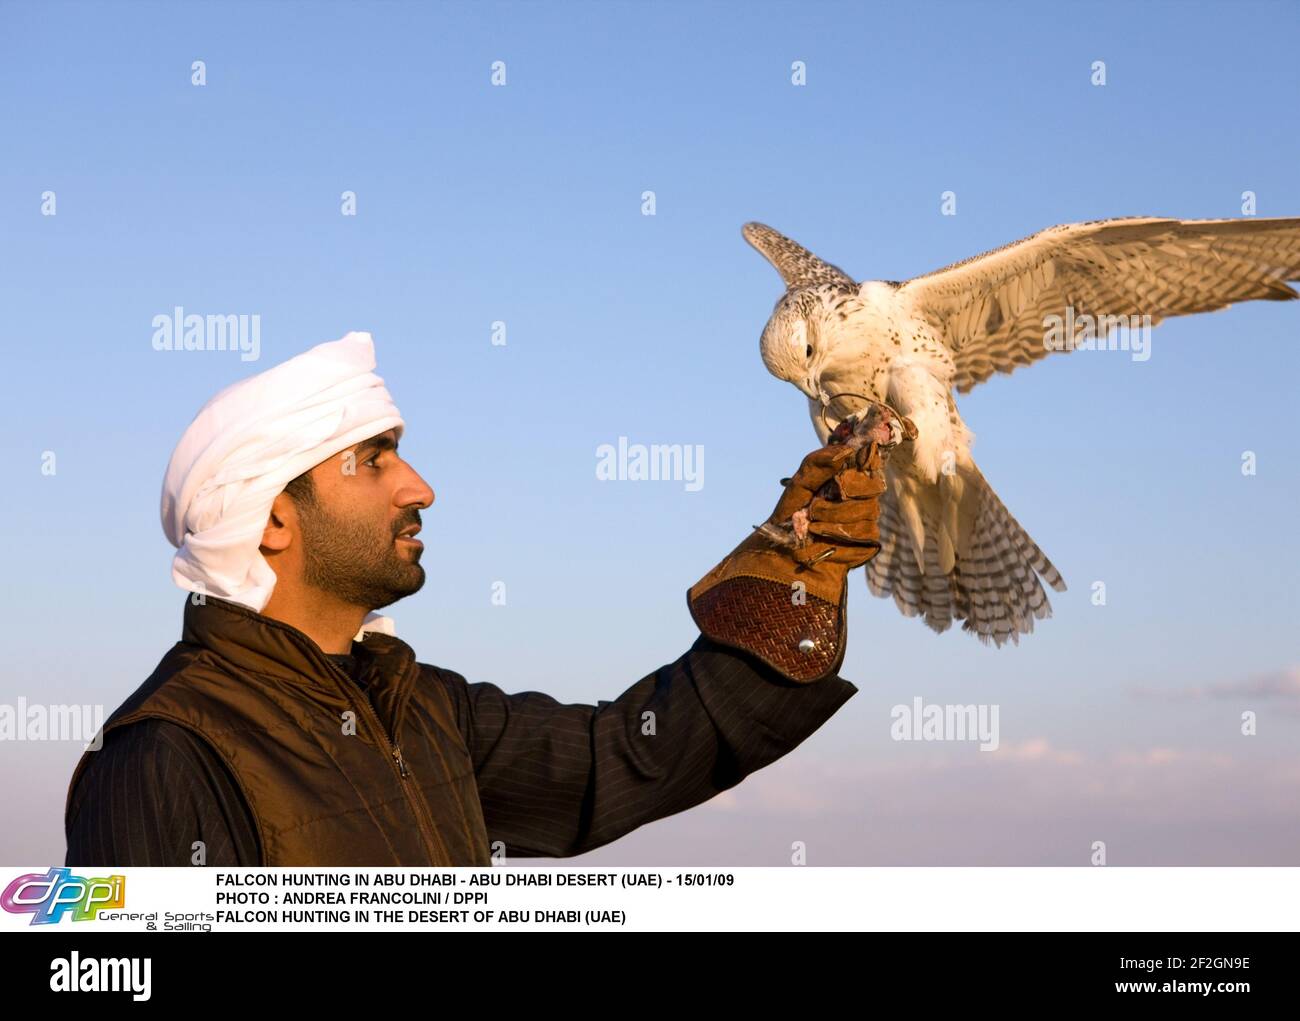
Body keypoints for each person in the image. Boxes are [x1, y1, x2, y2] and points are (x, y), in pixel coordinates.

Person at [63, 331, 890, 866]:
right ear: (273, 516)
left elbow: (627, 753)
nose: (419, 487)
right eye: (376, 459)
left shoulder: (425, 708)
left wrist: (793, 573)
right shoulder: (161, 757)